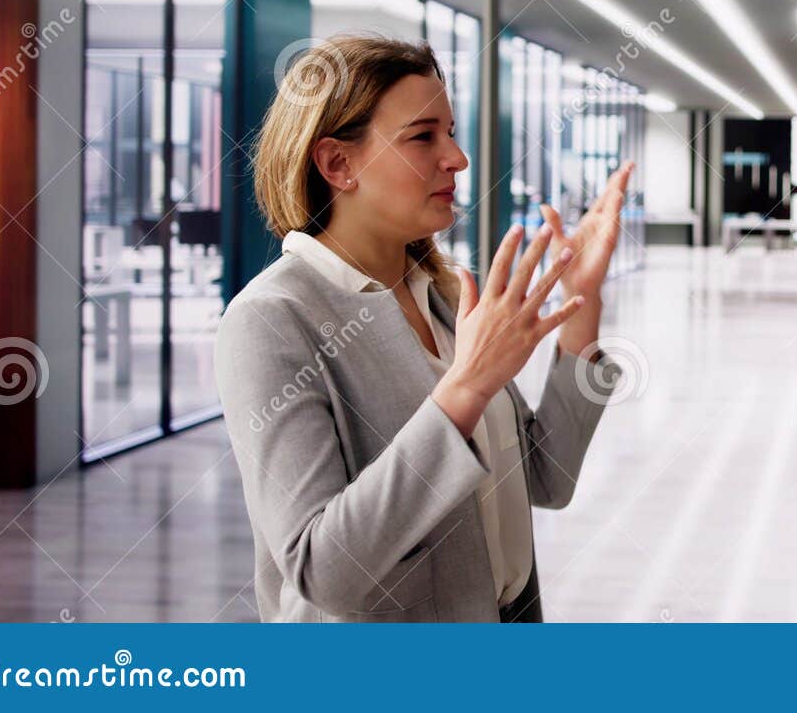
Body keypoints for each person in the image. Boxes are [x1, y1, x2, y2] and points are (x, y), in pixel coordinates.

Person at [214, 33, 631, 622]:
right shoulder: (273, 320)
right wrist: (464, 389)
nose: (456, 158)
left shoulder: (442, 298)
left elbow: (547, 477)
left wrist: (581, 299)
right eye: (422, 136)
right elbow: (322, 572)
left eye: (451, 131)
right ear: (338, 163)